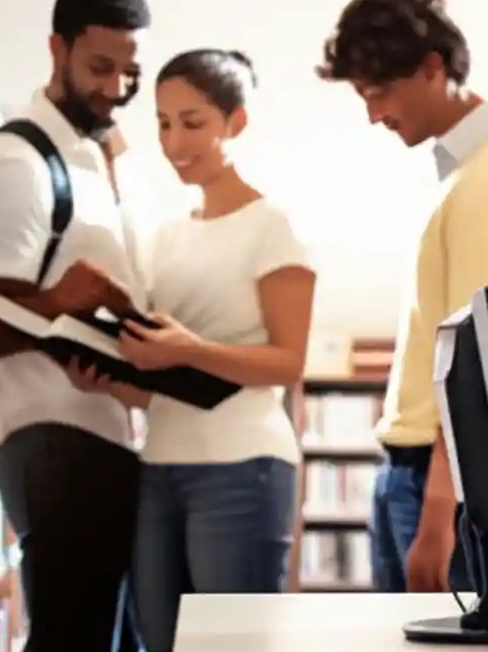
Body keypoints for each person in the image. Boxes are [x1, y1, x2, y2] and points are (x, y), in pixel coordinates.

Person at [67, 48, 316, 650]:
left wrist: (189, 348)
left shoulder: (270, 226)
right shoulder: (163, 236)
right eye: (163, 121)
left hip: (243, 468)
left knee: (227, 645)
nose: (175, 140)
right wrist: (105, 376)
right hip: (160, 466)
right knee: (158, 639)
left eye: (194, 122)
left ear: (236, 122)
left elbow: (288, 363)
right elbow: (160, 377)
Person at [317, 0, 488, 593]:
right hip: (421, 474)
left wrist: (440, 515)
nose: (373, 116)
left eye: (380, 93)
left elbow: (478, 364)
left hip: (444, 484)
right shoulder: (467, 174)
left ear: (432, 68)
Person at [0, 0, 150, 651]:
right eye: (99, 68)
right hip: (53, 440)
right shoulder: (18, 161)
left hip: (106, 436)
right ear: (57, 49)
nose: (115, 89)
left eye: (129, 73)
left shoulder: (95, 160)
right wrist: (59, 303)